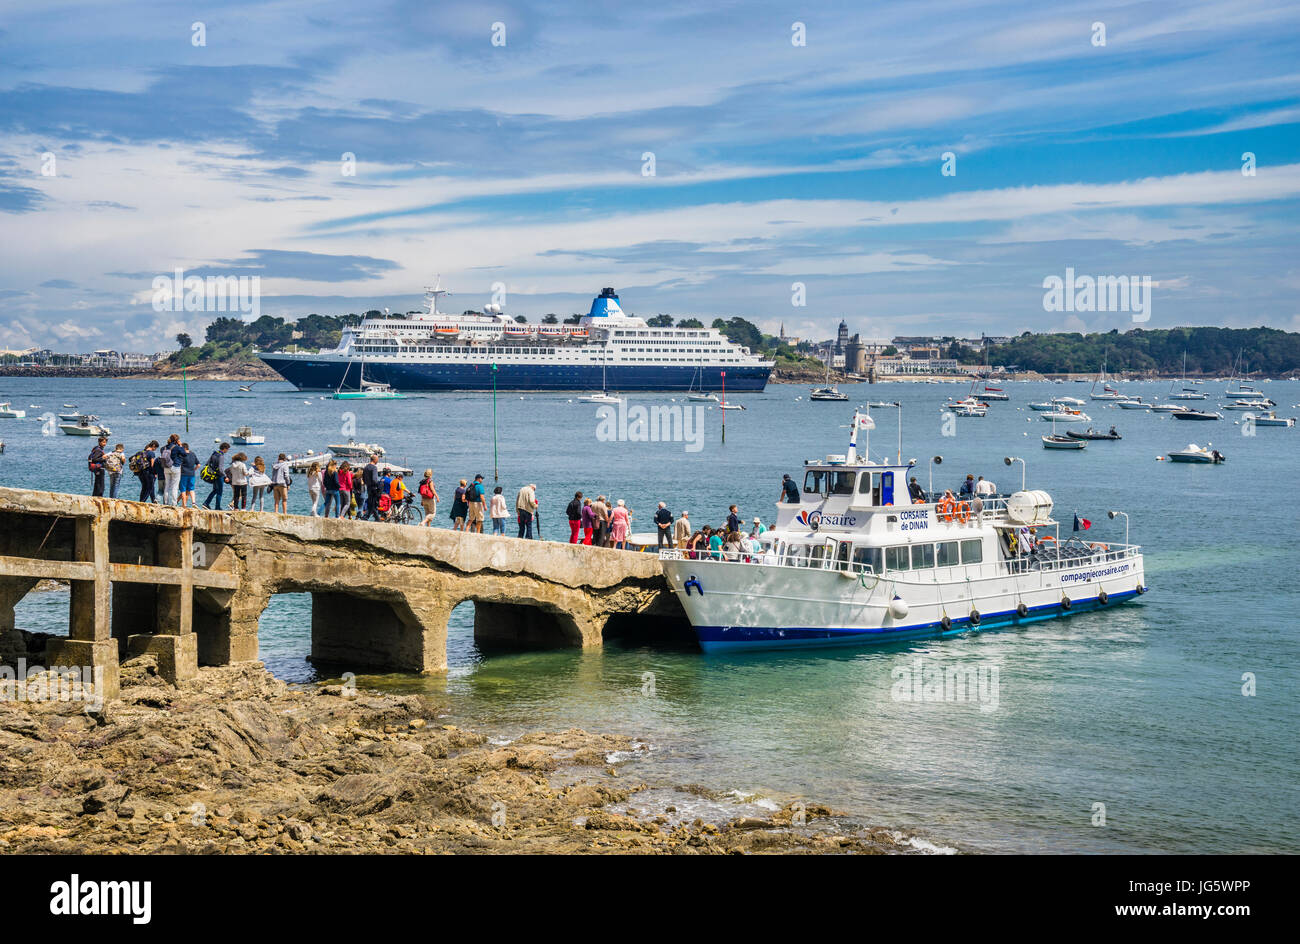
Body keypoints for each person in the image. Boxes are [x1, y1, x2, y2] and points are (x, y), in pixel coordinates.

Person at [202, 442, 230, 510]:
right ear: (225, 448)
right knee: (219, 492)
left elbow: (207, 463)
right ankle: (217, 507)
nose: (228, 450)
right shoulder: (221, 456)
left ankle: (206, 503)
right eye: (228, 449)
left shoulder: (214, 453)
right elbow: (220, 469)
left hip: (213, 475)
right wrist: (225, 476)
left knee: (215, 490)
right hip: (219, 476)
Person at [178, 443, 199, 508]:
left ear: (184, 448)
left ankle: (184, 504)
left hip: (184, 474)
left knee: (183, 490)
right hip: (192, 474)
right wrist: (193, 470)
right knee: (191, 489)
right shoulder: (193, 454)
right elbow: (198, 465)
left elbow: (179, 465)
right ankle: (193, 503)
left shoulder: (182, 455)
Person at [361, 455, 381, 521]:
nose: (378, 461)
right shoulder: (374, 468)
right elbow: (374, 479)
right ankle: (377, 519)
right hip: (374, 488)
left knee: (371, 503)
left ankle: (366, 517)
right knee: (373, 504)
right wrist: (378, 485)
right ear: (374, 460)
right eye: (377, 459)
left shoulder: (366, 467)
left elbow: (363, 478)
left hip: (368, 487)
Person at [164, 434, 183, 505]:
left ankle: (166, 502)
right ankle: (174, 503)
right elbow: (184, 454)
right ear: (177, 440)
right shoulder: (177, 447)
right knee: (175, 486)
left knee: (167, 485)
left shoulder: (165, 447)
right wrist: (180, 445)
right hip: (175, 467)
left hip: (166, 467)